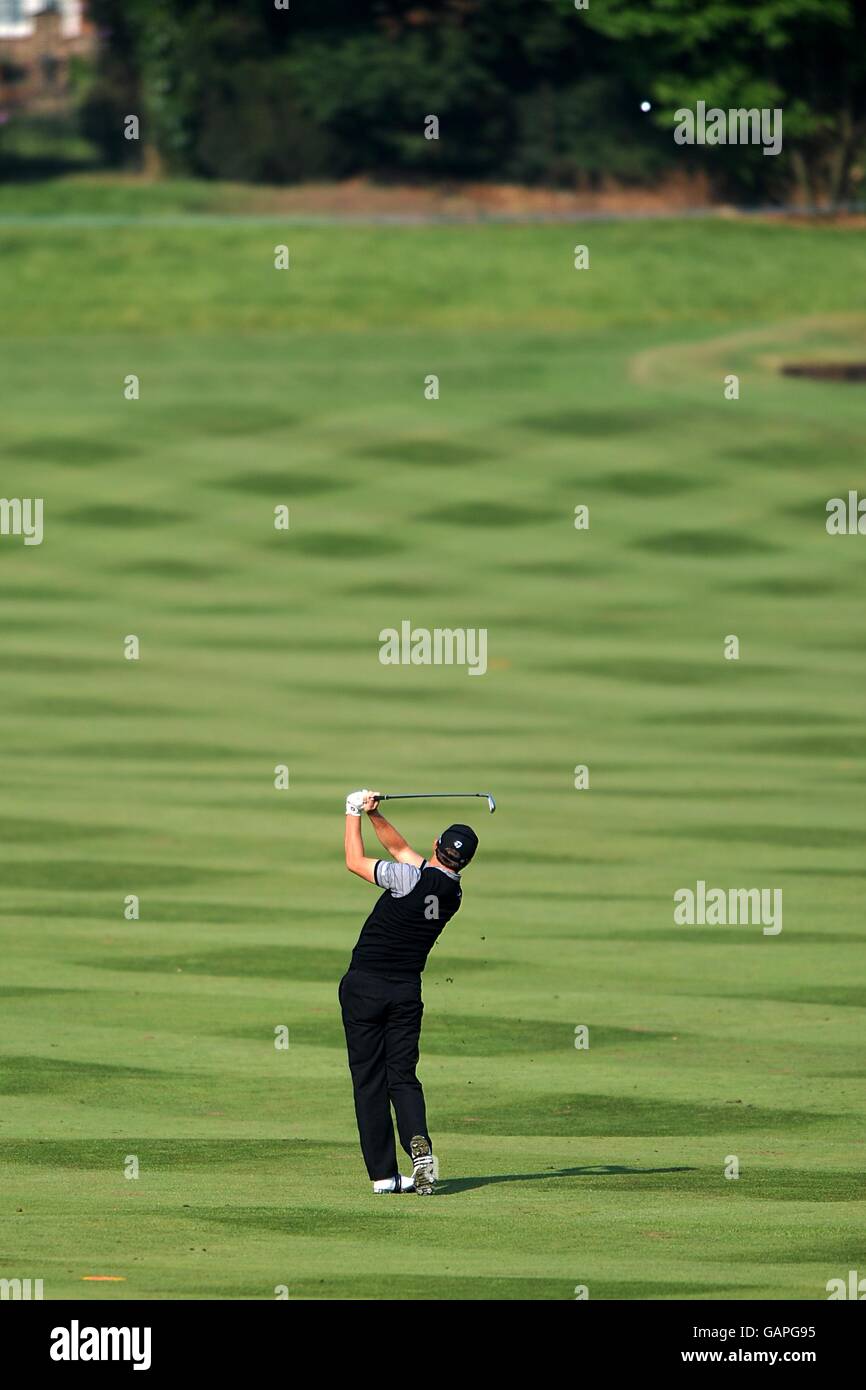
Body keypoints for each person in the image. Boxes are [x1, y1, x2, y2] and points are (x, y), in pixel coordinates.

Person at [339, 789, 479, 1194]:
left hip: (364, 987)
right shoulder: (451, 892)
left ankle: (384, 1175)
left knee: (368, 1080)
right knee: (401, 1076)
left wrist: (351, 812)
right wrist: (375, 815)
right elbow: (401, 849)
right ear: (465, 862)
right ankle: (419, 1144)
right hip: (405, 993)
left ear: (436, 844)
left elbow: (353, 861)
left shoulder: (407, 879)